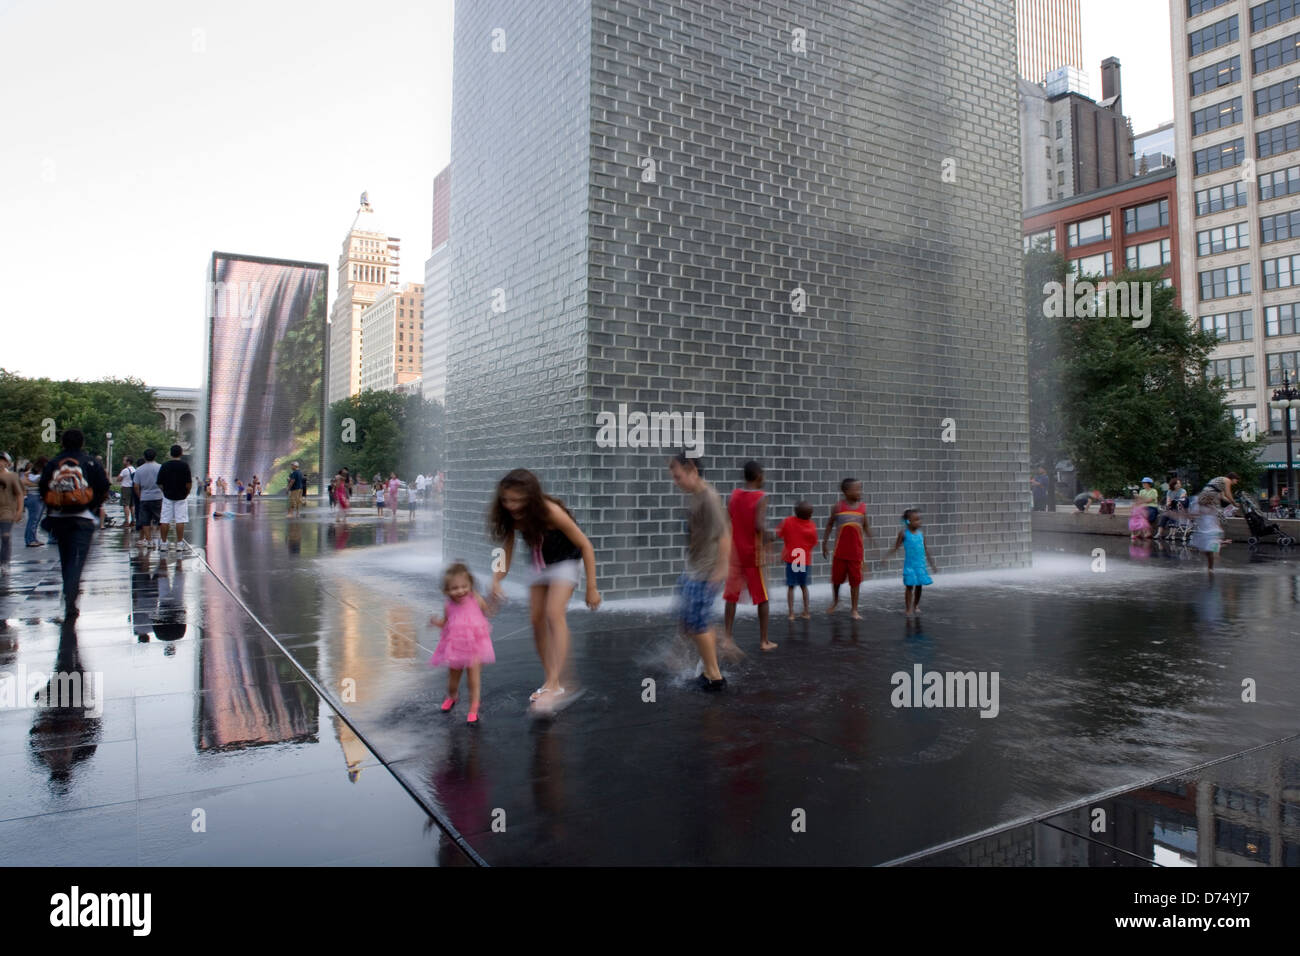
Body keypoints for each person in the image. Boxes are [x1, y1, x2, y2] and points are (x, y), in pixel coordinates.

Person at [488, 468, 601, 714]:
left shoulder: (551, 512)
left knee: (553, 614)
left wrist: (591, 588)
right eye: (506, 500)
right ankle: (554, 680)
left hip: (566, 561)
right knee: (536, 619)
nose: (511, 505)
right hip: (540, 564)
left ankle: (555, 685)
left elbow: (585, 545)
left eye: (517, 500)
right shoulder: (512, 517)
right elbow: (505, 553)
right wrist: (496, 580)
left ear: (531, 497)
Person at [669, 454, 729, 691]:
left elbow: (725, 535)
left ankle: (714, 675)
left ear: (692, 469)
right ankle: (711, 657)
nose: (676, 482)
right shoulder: (696, 496)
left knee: (697, 623)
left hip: (706, 570)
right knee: (688, 617)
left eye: (678, 477)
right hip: (694, 569)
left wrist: (721, 569)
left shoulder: (709, 498)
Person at [38, 428, 110, 618]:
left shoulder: (54, 462)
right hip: (83, 518)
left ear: (62, 442)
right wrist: (92, 506)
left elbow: (43, 489)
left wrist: (55, 506)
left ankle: (68, 591)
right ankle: (71, 593)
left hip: (59, 519)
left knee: (66, 558)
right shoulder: (91, 462)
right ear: (82, 443)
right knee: (78, 560)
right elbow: (104, 487)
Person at [427, 562, 497, 724]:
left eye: (464, 586)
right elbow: (447, 623)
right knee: (453, 680)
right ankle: (453, 696)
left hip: (475, 647)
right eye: (454, 588)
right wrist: (436, 623)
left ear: (470, 584)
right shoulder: (448, 605)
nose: (460, 591)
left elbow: (489, 612)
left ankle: (474, 706)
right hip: (456, 647)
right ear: (447, 590)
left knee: (473, 679)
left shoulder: (476, 599)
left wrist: (494, 600)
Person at [721, 461, 774, 653]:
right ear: (759, 476)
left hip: (736, 553)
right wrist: (771, 535)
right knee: (763, 597)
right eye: (764, 475)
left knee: (731, 596)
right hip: (754, 555)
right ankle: (764, 640)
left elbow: (728, 521)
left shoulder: (733, 495)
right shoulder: (762, 497)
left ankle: (727, 637)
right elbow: (758, 525)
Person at [824, 477, 871, 619]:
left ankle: (854, 609)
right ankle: (836, 600)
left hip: (856, 553)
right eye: (856, 489)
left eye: (860, 488)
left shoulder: (862, 508)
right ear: (845, 491)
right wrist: (824, 543)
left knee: (855, 581)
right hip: (840, 552)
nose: (859, 491)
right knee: (836, 580)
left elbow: (866, 526)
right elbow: (830, 524)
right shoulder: (838, 507)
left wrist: (872, 541)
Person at [888, 509, 938, 617]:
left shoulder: (921, 534)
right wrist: (887, 557)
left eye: (919, 519)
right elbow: (896, 547)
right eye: (916, 520)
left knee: (919, 586)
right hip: (910, 565)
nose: (919, 522)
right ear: (908, 521)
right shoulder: (903, 534)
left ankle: (915, 605)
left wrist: (932, 564)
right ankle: (908, 608)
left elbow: (926, 549)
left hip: (920, 565)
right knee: (909, 586)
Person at [777, 500, 818, 620]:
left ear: (795, 512)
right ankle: (806, 612)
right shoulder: (811, 526)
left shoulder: (788, 521)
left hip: (792, 560)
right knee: (803, 586)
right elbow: (813, 543)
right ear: (810, 515)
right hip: (804, 560)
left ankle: (791, 613)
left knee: (791, 586)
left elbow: (780, 534)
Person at [156, 444, 192, 551]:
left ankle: (163, 543)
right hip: (181, 496)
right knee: (180, 520)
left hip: (168, 496)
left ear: (170, 453)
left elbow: (159, 483)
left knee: (165, 519)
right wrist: (187, 493)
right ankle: (180, 543)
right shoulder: (185, 466)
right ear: (181, 453)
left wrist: (165, 491)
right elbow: (188, 483)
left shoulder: (165, 465)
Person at [133, 449, 164, 550]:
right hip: (158, 496)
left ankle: (149, 541)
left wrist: (140, 496)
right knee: (161, 519)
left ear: (144, 457)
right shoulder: (160, 467)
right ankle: (161, 539)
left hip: (145, 497)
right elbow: (163, 483)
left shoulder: (139, 469)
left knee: (145, 520)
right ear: (155, 456)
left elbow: (136, 486)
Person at [0, 453, 25, 573]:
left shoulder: (12, 476)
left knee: (5, 536)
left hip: (7, 510)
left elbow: (19, 494)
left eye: (2, 461)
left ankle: (5, 563)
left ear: (7, 463)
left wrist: (19, 510)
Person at [21, 457, 47, 547]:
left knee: (34, 520)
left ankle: (32, 538)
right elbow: (25, 482)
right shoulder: (38, 475)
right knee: (34, 520)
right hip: (36, 497)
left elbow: (25, 482)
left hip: (33, 497)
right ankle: (30, 540)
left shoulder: (29, 473)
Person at [118, 456, 136, 528]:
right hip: (133, 488)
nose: (123, 461)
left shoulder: (125, 470)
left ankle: (126, 521)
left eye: (124, 460)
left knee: (126, 505)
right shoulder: (134, 469)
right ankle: (133, 520)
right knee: (132, 505)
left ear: (128, 462)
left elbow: (119, 479)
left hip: (126, 488)